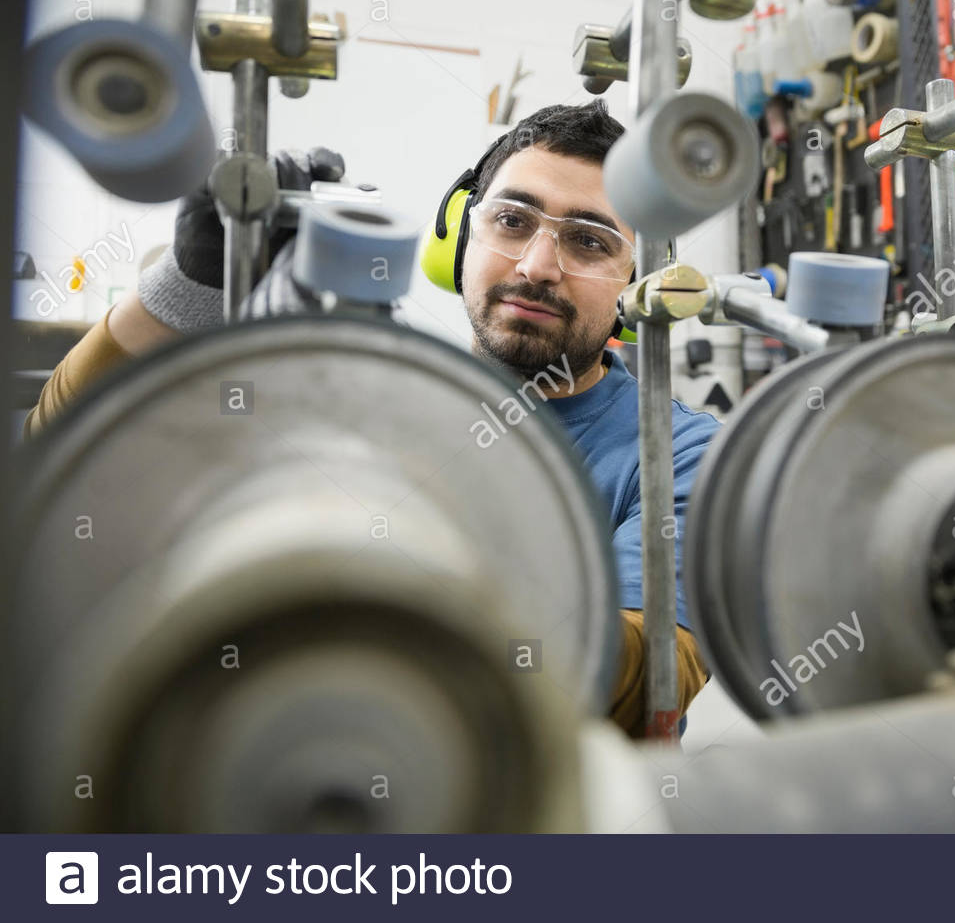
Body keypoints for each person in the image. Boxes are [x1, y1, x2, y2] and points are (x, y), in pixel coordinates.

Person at [24, 100, 717, 739]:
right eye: (512, 220)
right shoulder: (356, 396)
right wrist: (189, 289)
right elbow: (61, 471)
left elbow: (651, 684)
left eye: (590, 242)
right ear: (458, 239)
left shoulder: (679, 449)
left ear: (637, 279)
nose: (538, 266)